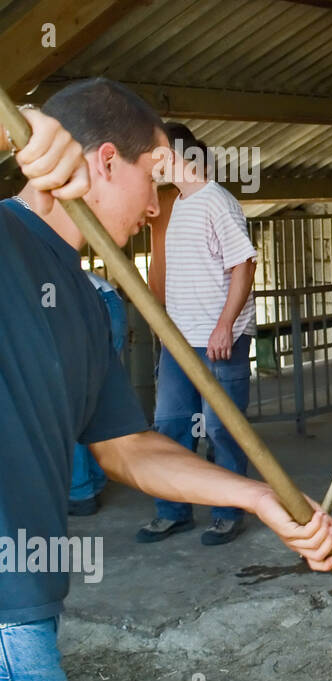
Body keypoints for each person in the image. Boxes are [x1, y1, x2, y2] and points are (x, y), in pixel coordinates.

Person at [0, 78, 332, 681]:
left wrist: (257, 495)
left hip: (26, 604)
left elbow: (126, 449)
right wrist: (23, 136)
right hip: (5, 619)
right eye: (152, 175)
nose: (156, 204)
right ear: (98, 162)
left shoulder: (87, 300)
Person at [137, 121, 258, 548]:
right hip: (178, 341)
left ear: (176, 154)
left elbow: (243, 265)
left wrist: (225, 325)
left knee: (222, 429)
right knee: (170, 427)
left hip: (217, 342)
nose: (151, 165)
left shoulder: (216, 201)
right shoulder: (180, 205)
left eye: (156, 155)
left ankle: (227, 514)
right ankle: (173, 512)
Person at [67, 272, 127, 516]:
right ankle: (94, 479)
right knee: (91, 399)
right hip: (104, 299)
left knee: (67, 401)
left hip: (83, 304)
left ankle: (80, 492)